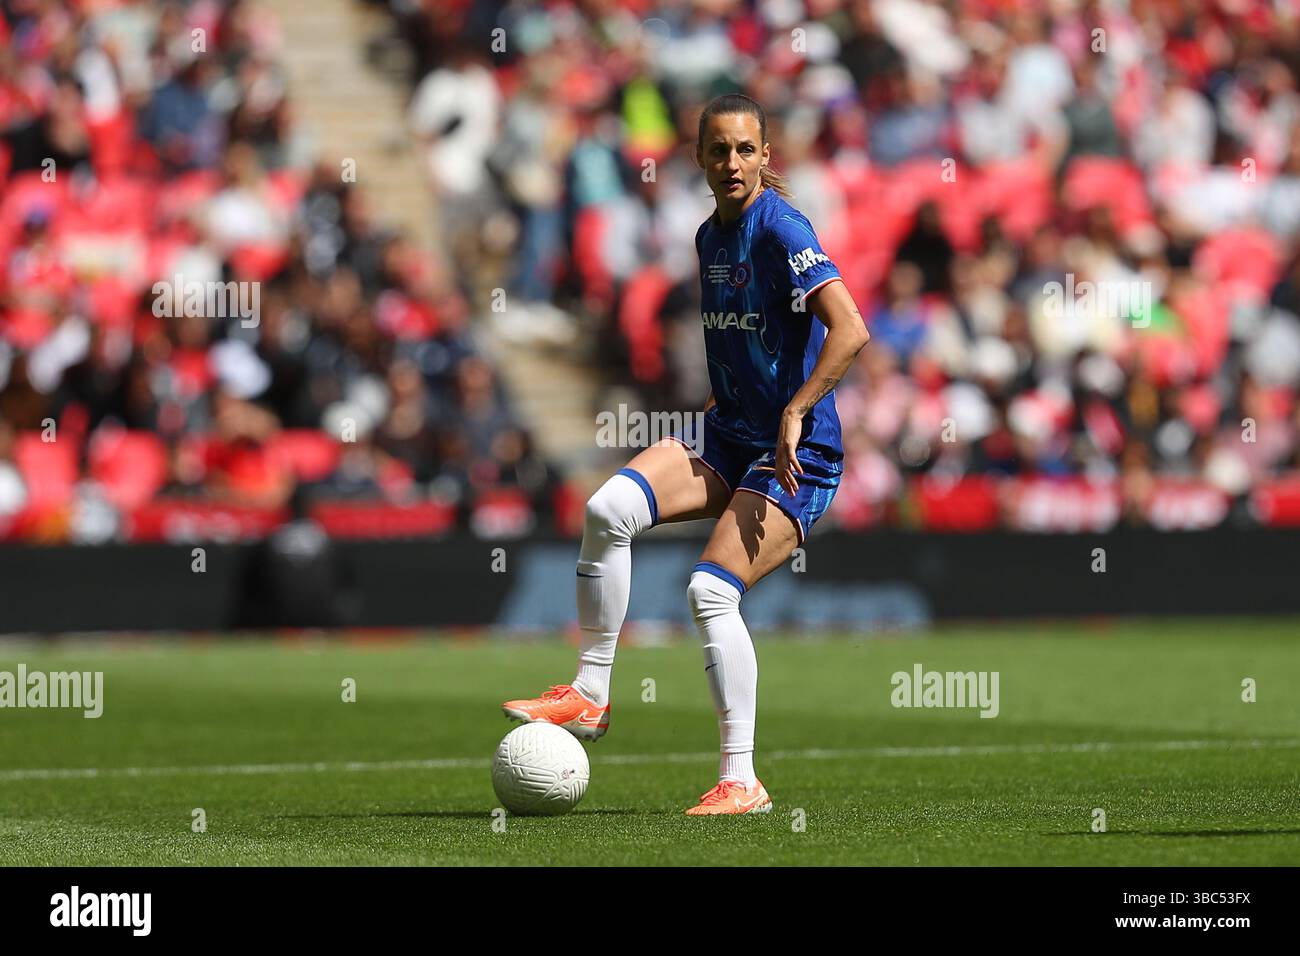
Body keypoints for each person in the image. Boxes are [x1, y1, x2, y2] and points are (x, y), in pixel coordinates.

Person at [502, 94, 869, 815]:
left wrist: (795, 410)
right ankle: (591, 694)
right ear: (699, 158)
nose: (731, 162)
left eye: (744, 150)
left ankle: (743, 780)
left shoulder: (781, 228)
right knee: (606, 509)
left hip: (799, 451)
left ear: (765, 155)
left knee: (709, 592)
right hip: (728, 431)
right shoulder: (708, 238)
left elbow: (850, 328)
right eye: (718, 150)